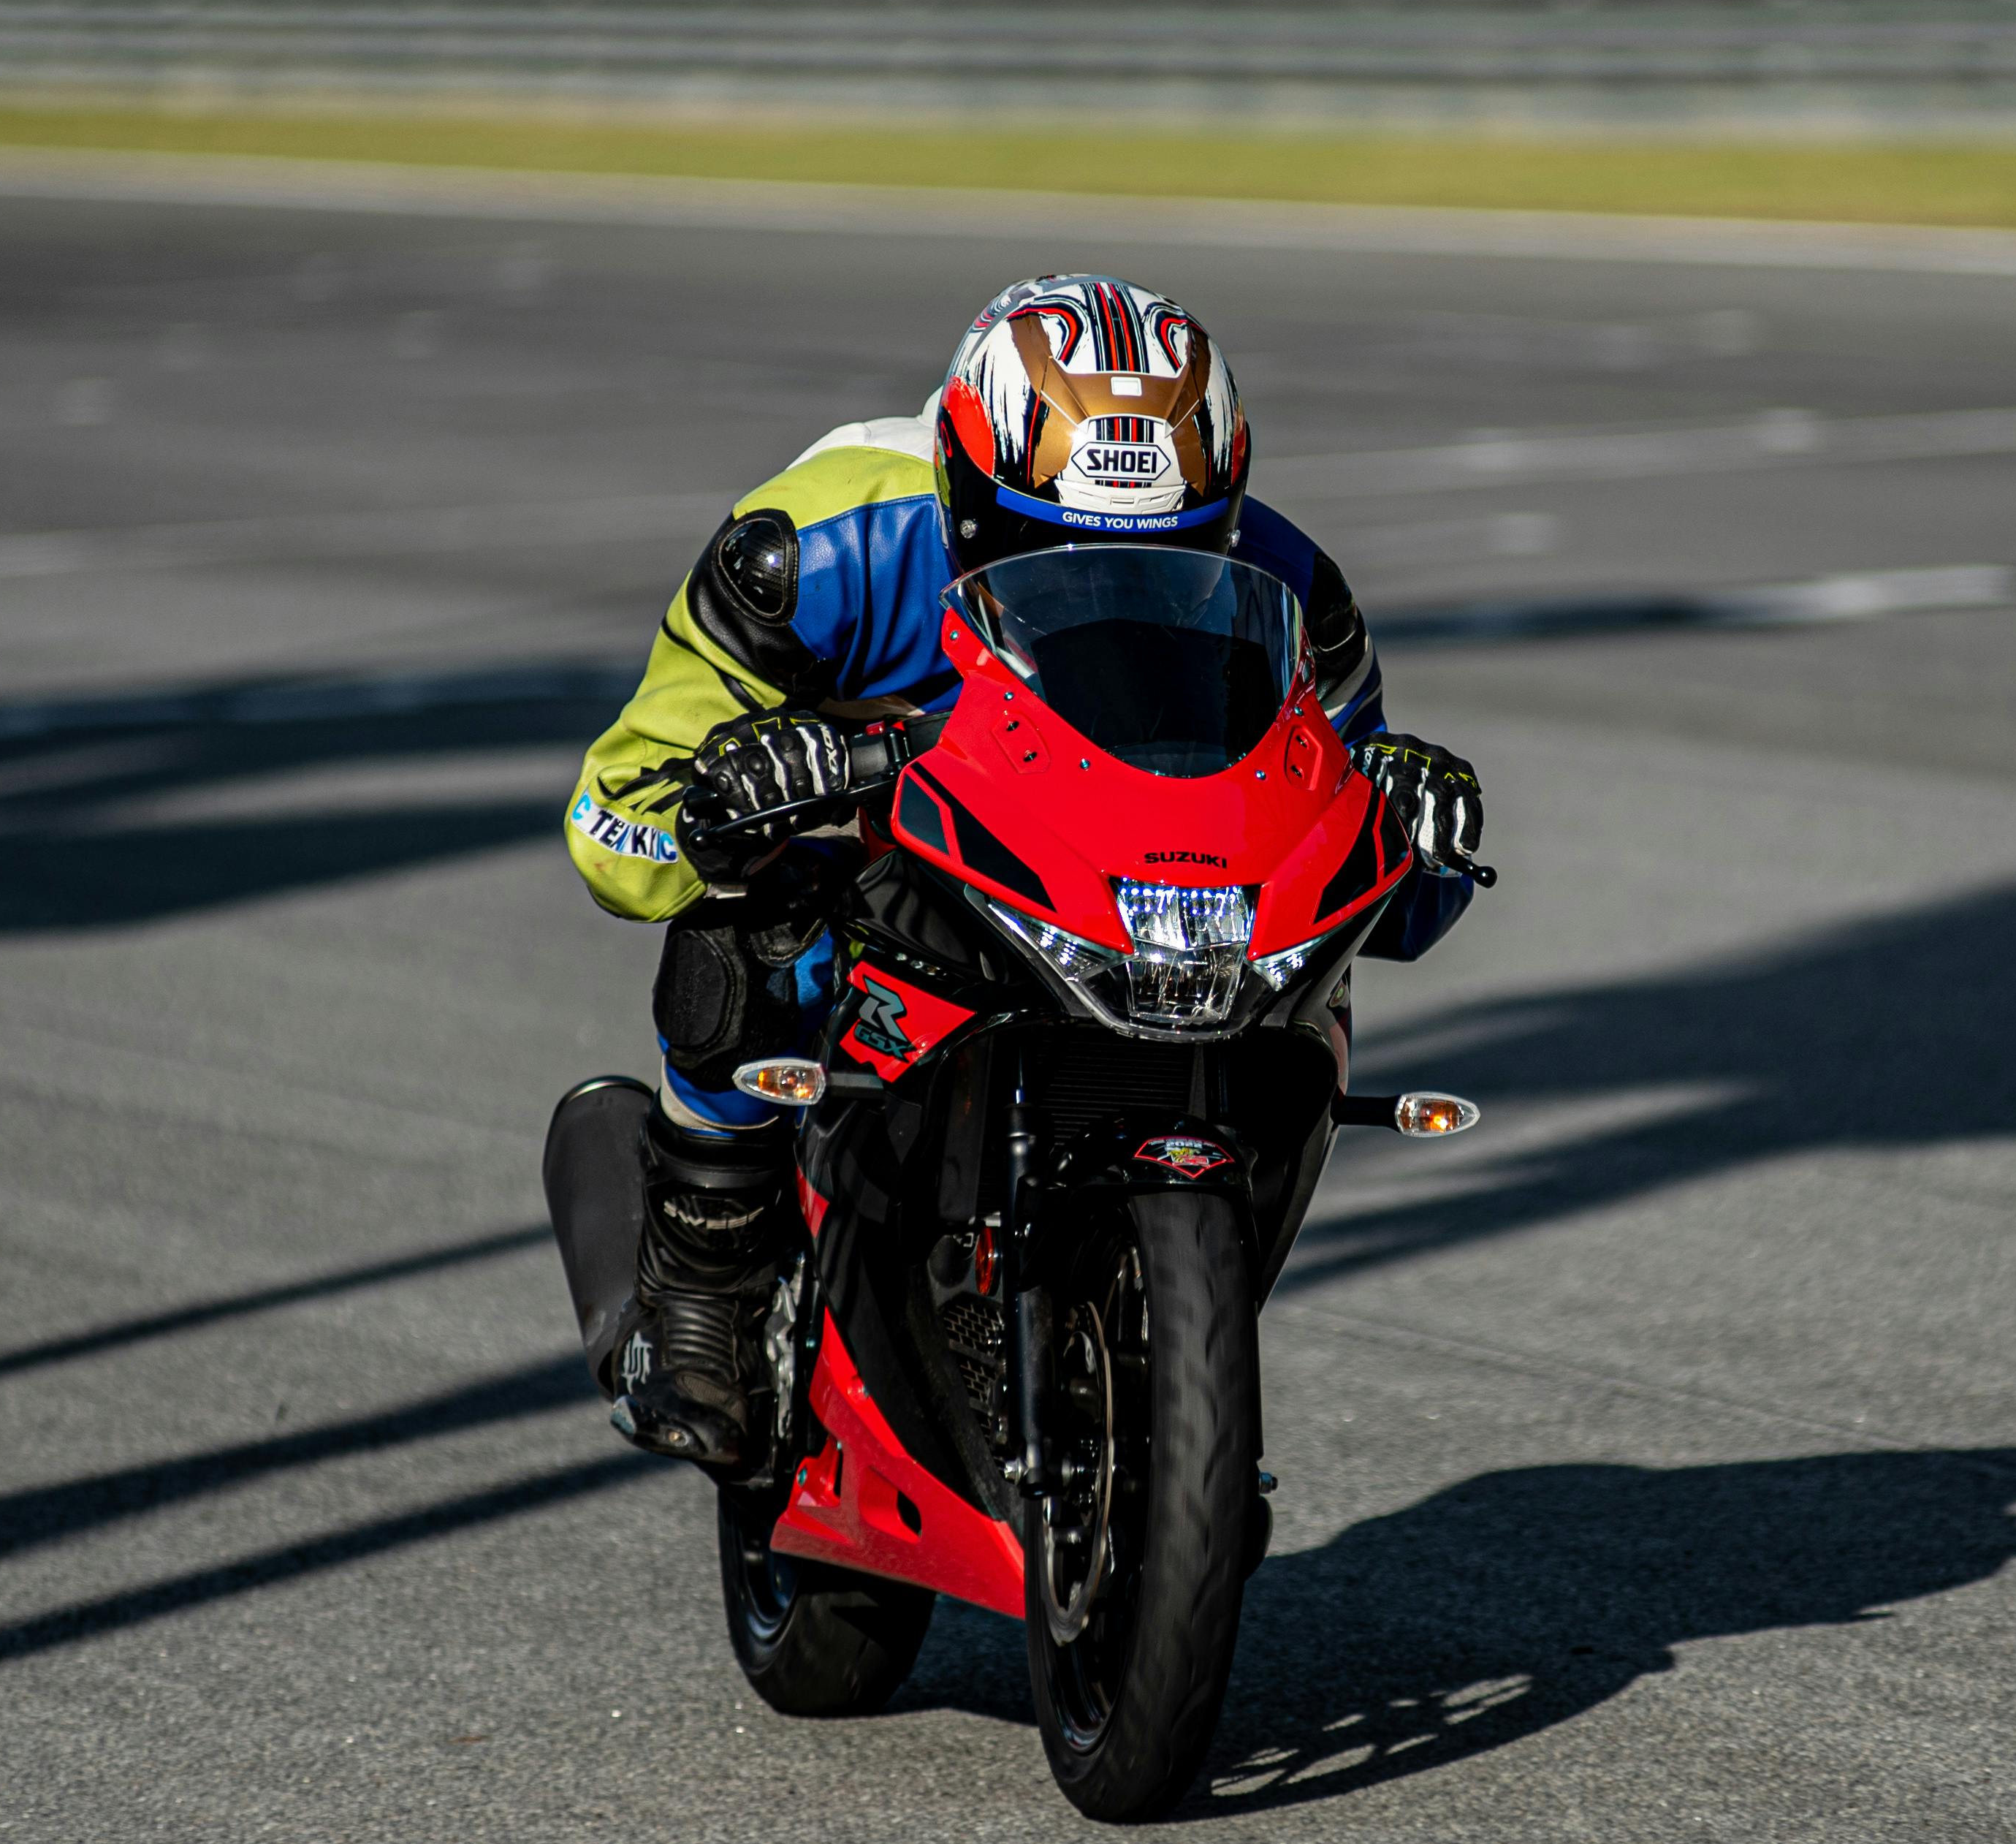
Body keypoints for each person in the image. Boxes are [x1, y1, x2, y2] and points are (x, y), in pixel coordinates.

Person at [563, 273, 1491, 1472]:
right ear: (959, 486)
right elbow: (613, 823)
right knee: (757, 925)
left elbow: (1377, 888)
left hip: (1137, 884)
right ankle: (704, 1272)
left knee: (1320, 988)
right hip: (895, 857)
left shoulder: (1293, 593)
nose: (1096, 589)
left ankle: (1160, 1339)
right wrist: (729, 802)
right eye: (1040, 549)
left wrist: (1416, 822)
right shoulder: (810, 554)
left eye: (1166, 559)